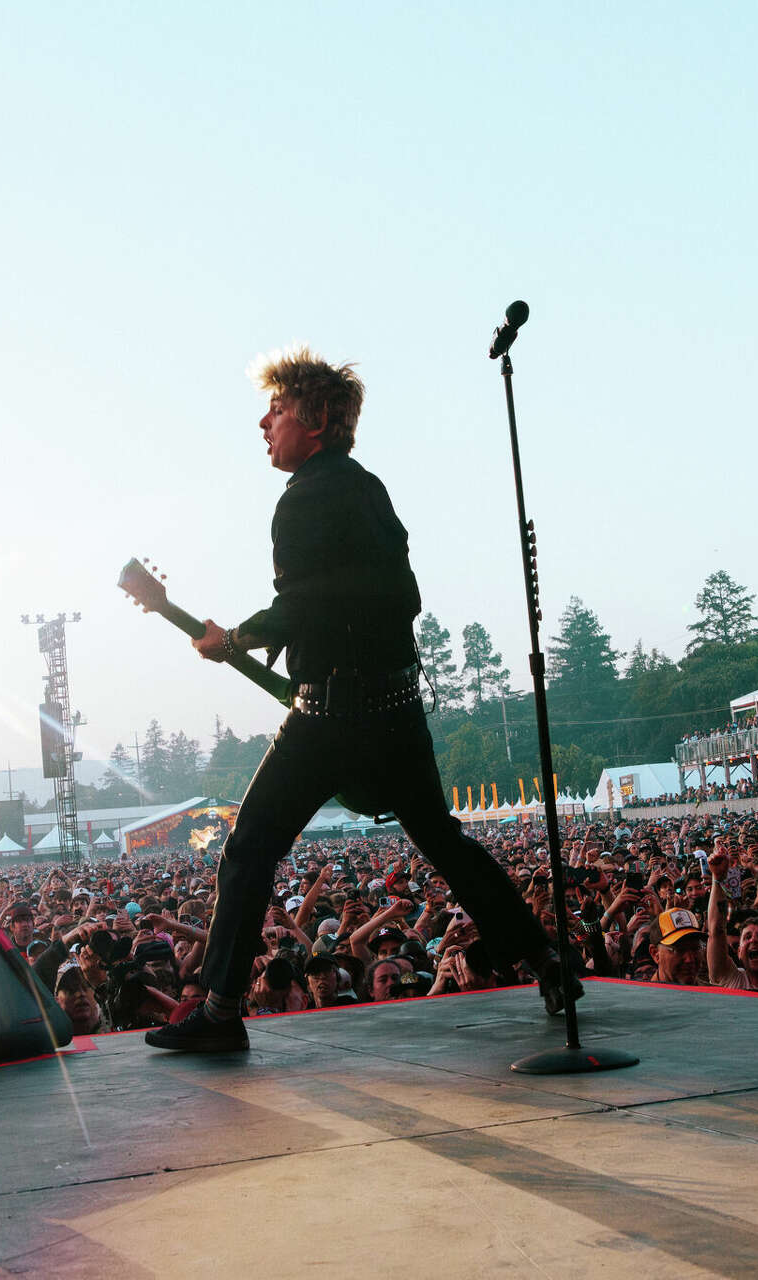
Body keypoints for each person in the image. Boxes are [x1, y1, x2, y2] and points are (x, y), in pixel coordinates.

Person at [148, 348, 567, 1053]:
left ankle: (219, 1012)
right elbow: (399, 596)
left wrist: (243, 635)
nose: (263, 423)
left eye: (276, 412)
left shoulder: (302, 497)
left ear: (313, 424)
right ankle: (546, 959)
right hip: (397, 708)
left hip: (330, 713)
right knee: (443, 841)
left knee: (248, 850)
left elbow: (309, 601)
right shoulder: (370, 489)